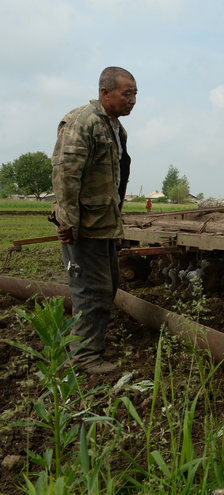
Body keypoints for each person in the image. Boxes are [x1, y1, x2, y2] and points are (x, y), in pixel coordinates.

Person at [51, 66, 136, 374]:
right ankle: (85, 357)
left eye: (135, 94)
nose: (133, 100)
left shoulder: (115, 128)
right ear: (105, 93)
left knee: (107, 285)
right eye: (127, 93)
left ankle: (90, 338)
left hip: (103, 223)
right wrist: (67, 222)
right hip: (83, 226)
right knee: (90, 291)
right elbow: (66, 174)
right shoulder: (81, 122)